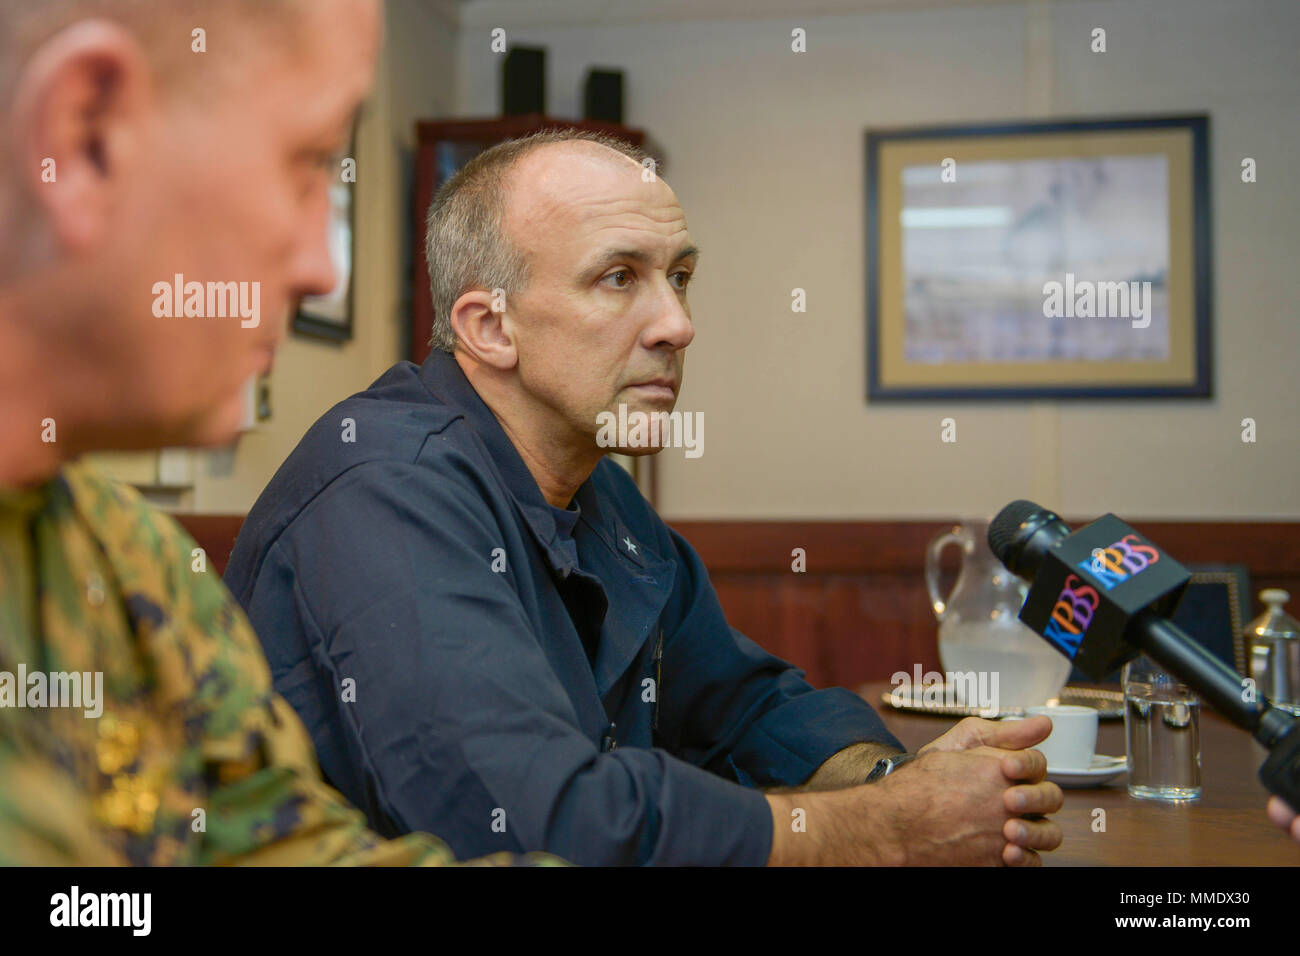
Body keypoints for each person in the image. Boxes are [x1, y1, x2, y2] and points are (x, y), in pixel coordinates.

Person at [225, 128, 1066, 866]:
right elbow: (542, 827)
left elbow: (748, 707)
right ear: (490, 328)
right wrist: (883, 832)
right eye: (620, 277)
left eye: (682, 276)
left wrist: (906, 783)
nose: (678, 324)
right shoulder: (384, 491)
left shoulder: (602, 494)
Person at [0, 0, 555, 866]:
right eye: (307, 166)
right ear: (85, 139)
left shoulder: (125, 560)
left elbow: (286, 850)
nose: (320, 267)